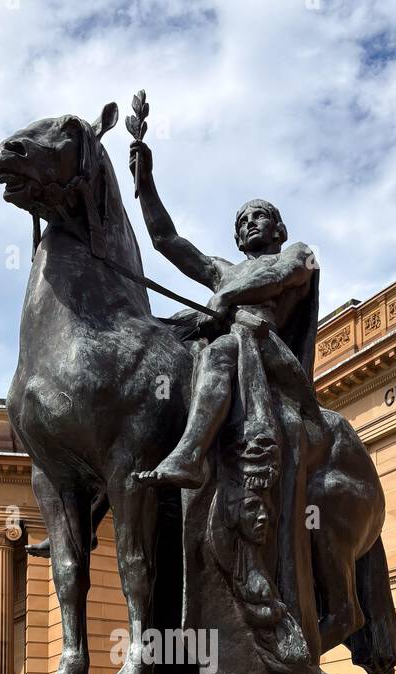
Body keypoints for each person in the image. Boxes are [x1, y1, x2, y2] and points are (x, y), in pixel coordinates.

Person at [128, 139, 320, 488]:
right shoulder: (224, 271)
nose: (250, 222)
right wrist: (145, 182)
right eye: (243, 221)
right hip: (235, 347)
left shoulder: (297, 253)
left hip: (268, 353)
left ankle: (189, 457)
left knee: (220, 349)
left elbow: (278, 279)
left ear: (280, 230)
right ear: (237, 240)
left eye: (259, 215)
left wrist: (224, 299)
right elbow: (166, 239)